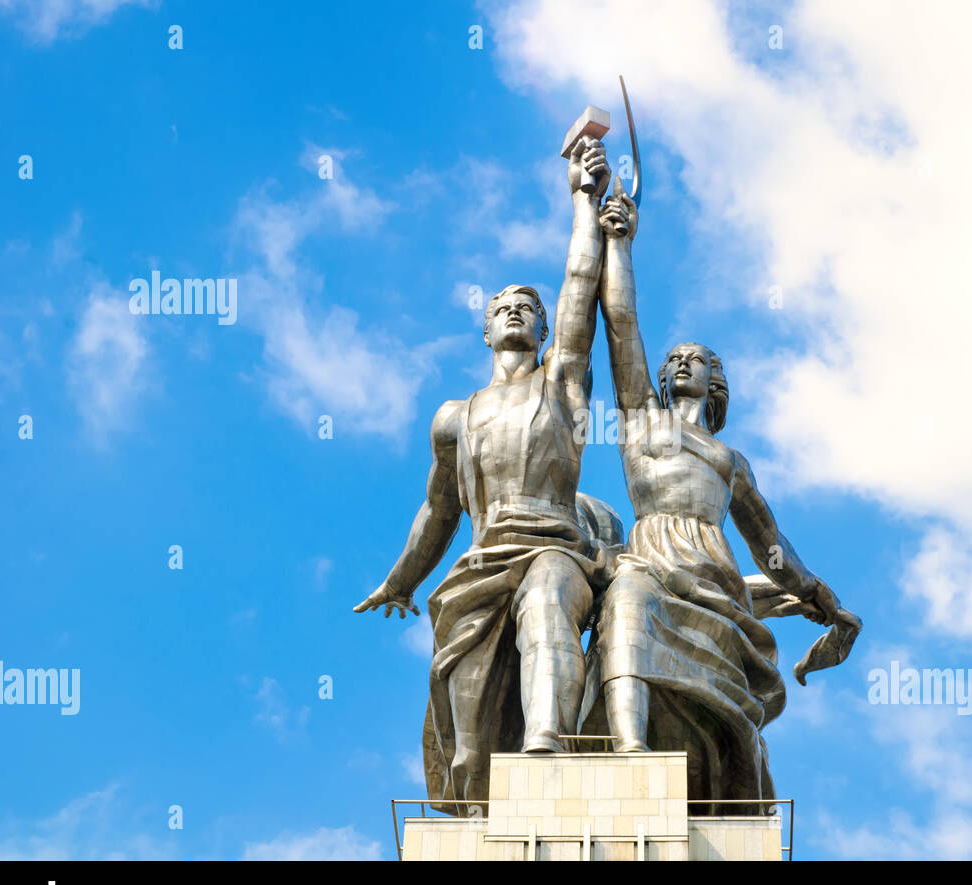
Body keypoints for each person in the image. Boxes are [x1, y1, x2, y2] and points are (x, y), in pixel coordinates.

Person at [582, 181, 862, 809]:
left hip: (716, 578)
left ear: (716, 381)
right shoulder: (640, 424)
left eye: (697, 359)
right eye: (675, 358)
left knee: (725, 703)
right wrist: (618, 243)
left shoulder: (731, 462)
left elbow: (772, 548)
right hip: (650, 557)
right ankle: (628, 752)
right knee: (625, 603)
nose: (682, 363)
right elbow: (621, 326)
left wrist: (821, 598)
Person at [353, 137, 612, 812]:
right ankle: (483, 809)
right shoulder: (453, 418)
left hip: (555, 546)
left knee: (551, 601)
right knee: (469, 754)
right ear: (486, 330)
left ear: (546, 327)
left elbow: (581, 284)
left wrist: (583, 200)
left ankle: (548, 744)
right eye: (502, 307)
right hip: (478, 568)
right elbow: (438, 511)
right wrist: (401, 578)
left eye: (529, 306)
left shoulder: (564, 383)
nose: (516, 310)